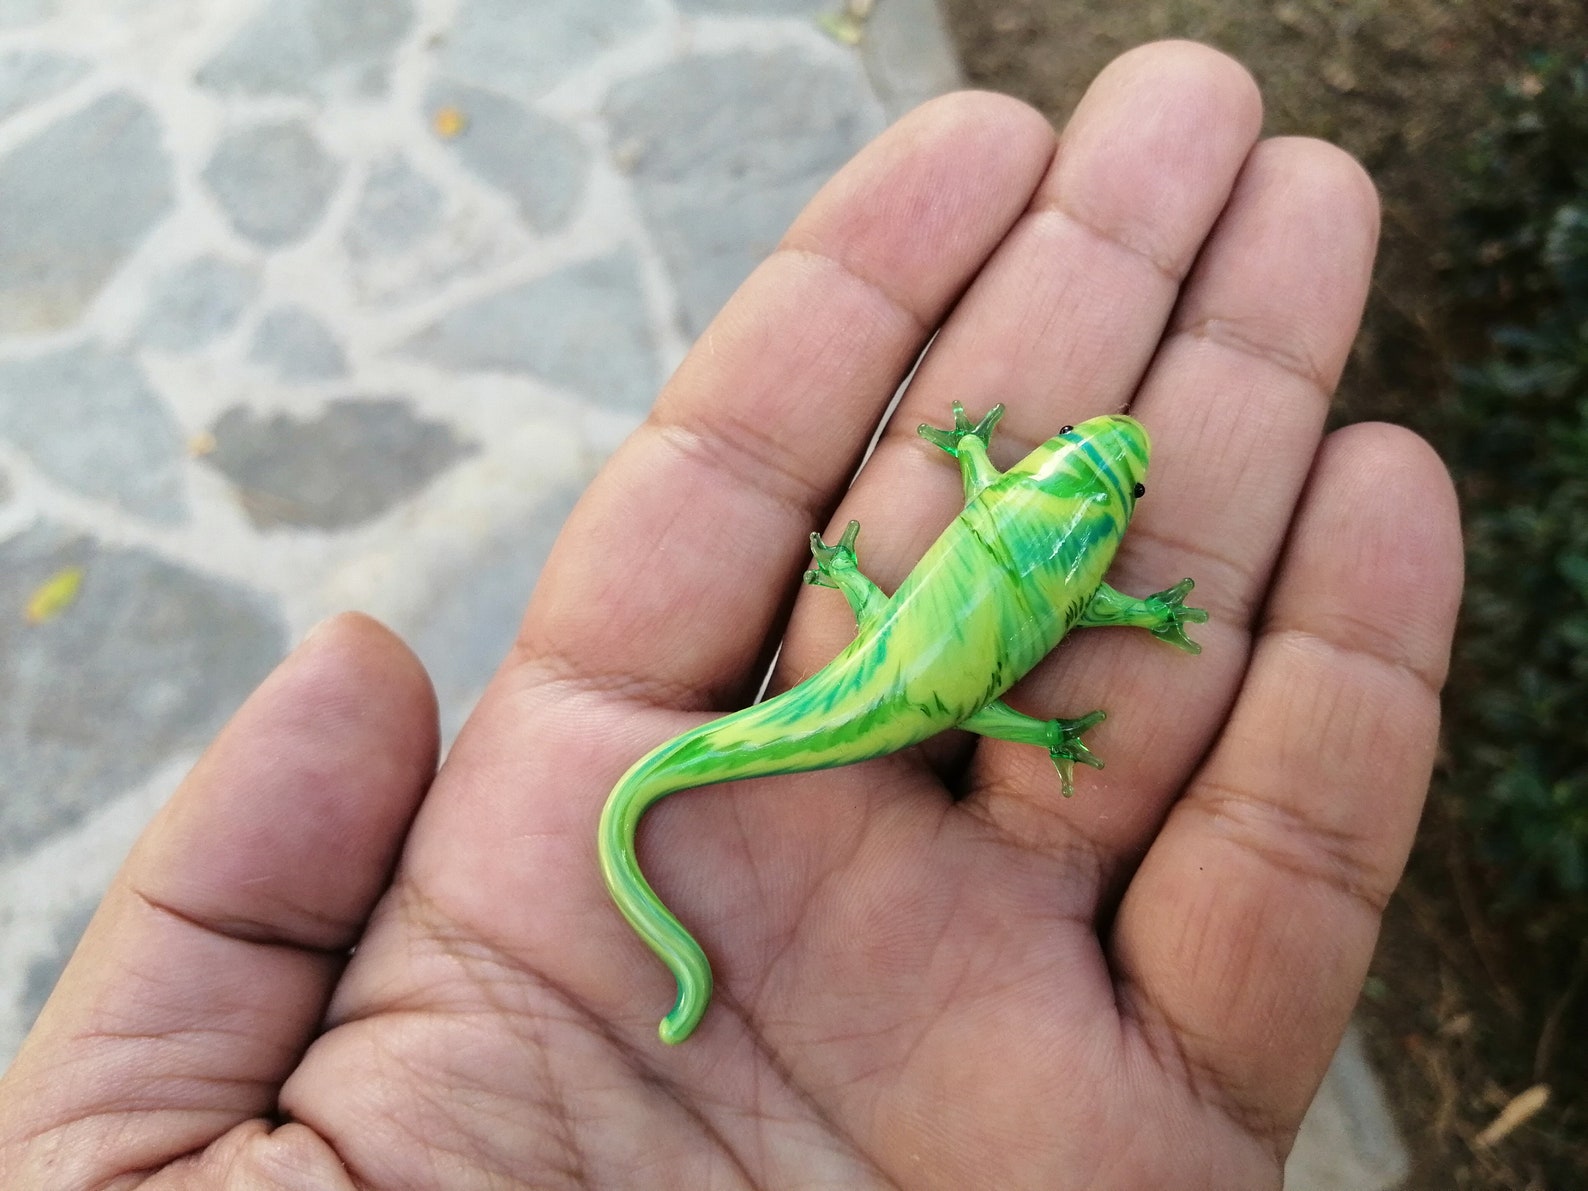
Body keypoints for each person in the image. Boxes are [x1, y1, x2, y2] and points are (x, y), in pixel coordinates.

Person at [0, 41, 1461, 1189]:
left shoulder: (1017, 503)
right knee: (907, 693)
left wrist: (936, 510)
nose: (1107, 466)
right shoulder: (1077, 556)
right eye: (1103, 457)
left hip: (920, 648)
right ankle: (852, 723)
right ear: (1083, 482)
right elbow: (1111, 597)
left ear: (1054, 475)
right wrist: (1100, 645)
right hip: (937, 664)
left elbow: (977, 483)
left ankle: (867, 656)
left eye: (1106, 464)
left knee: (901, 676)